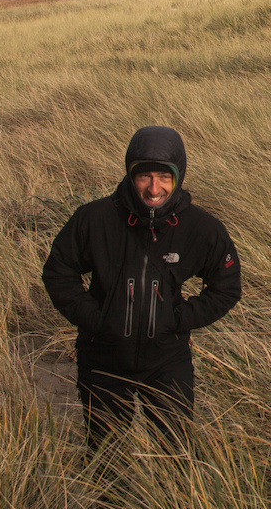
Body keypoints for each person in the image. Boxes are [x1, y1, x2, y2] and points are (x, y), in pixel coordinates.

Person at [42, 125, 241, 451]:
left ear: (179, 176)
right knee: (105, 456)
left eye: (165, 177)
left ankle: (175, 503)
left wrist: (176, 320)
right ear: (129, 172)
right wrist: (98, 319)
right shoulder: (94, 219)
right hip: (103, 362)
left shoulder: (201, 228)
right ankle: (107, 503)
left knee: (174, 454)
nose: (153, 188)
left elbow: (226, 287)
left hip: (167, 363)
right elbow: (58, 274)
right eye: (143, 175)